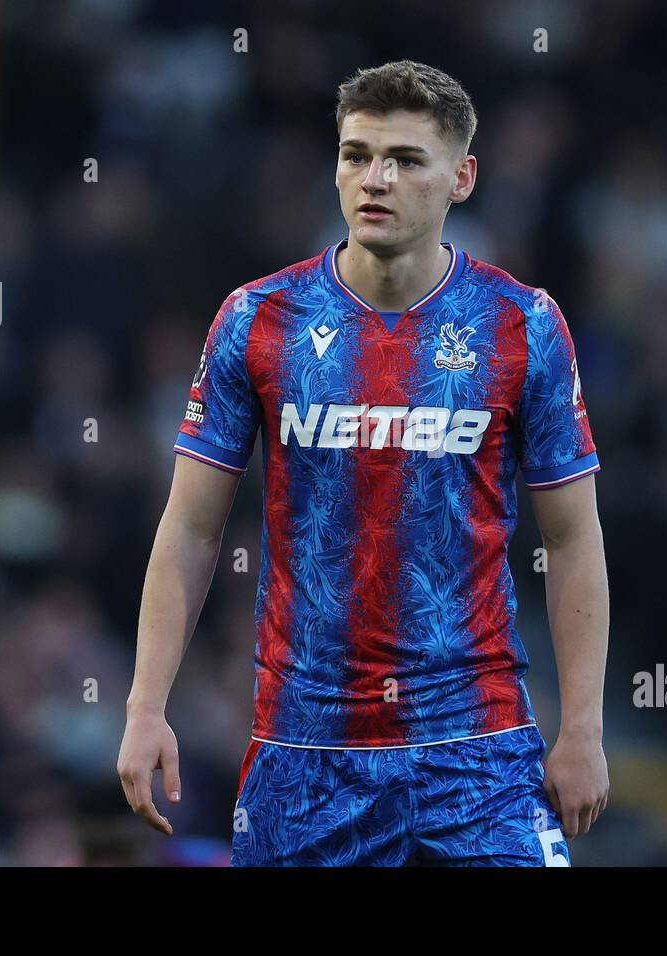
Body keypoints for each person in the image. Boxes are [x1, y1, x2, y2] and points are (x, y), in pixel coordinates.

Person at [118, 60, 610, 866]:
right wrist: (145, 706)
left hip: (478, 751)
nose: (373, 179)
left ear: (462, 177)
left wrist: (583, 727)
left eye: (407, 160)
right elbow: (191, 530)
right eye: (355, 154)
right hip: (305, 754)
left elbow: (574, 539)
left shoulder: (524, 325)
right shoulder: (258, 320)